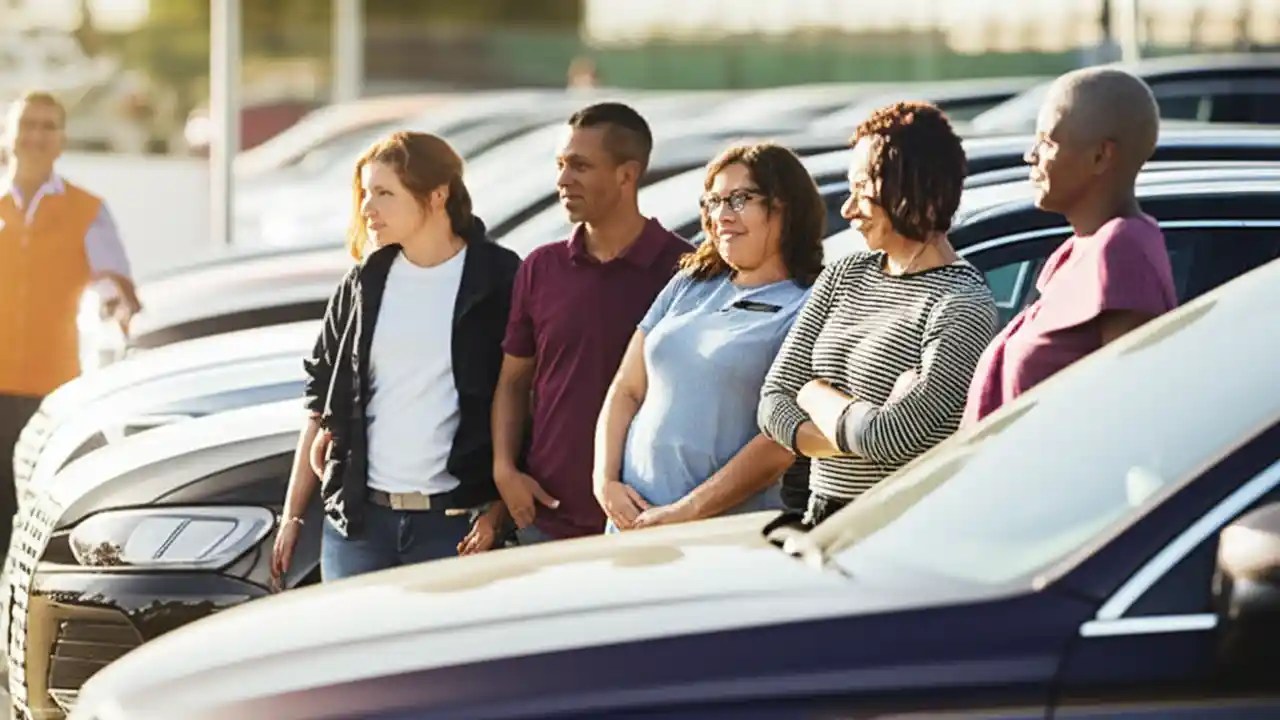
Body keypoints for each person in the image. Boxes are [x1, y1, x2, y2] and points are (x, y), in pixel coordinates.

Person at [270, 131, 520, 584]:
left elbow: (525, 397)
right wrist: (293, 516)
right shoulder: (364, 283)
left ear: (437, 194)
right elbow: (319, 396)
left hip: (453, 529)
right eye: (366, 193)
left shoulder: (499, 279)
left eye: (384, 193)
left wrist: (498, 512)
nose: (367, 208)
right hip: (360, 526)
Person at [758, 102, 998, 527]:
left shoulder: (961, 303)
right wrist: (857, 430)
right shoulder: (843, 275)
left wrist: (813, 394)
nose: (848, 209)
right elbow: (773, 401)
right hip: (822, 518)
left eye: (861, 189)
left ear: (910, 186)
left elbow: (891, 437)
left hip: (902, 528)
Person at [592, 142, 823, 531]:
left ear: (784, 205)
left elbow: (780, 444)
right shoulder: (690, 284)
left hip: (719, 532)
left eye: (739, 199)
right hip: (630, 521)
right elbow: (627, 388)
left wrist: (686, 511)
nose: (721, 216)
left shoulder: (809, 305)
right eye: (713, 201)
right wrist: (605, 483)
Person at [492, 102, 690, 545]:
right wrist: (505, 470)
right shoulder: (540, 268)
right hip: (546, 519)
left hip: (644, 521)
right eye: (561, 165)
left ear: (627, 174)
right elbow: (513, 382)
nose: (563, 180)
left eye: (580, 166)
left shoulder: (685, 271)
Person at [963, 68, 1175, 427]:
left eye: (1047, 142)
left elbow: (1132, 417)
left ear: (1100, 157)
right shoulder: (1079, 249)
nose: (1030, 155)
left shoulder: (1123, 251)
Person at [1, 90, 140, 553]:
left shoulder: (87, 209)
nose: (37, 136)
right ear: (8, 135)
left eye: (48, 126)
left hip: (52, 393)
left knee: (35, 516)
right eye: (27, 125)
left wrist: (115, 306)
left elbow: (113, 283)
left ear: (62, 140)